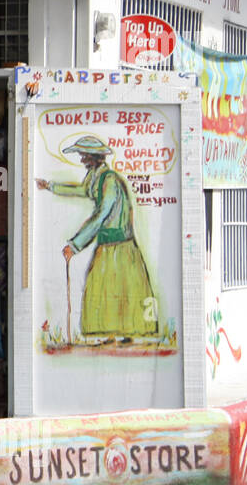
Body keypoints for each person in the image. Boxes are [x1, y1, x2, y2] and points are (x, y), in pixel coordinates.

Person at [35, 134, 158, 342]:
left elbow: (101, 215)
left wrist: (75, 245)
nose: (82, 159)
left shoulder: (109, 180)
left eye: (84, 155)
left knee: (124, 287)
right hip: (107, 242)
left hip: (120, 243)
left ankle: (125, 336)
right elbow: (81, 190)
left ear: (94, 157)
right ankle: (112, 335)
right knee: (104, 288)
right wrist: (50, 186)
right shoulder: (94, 176)